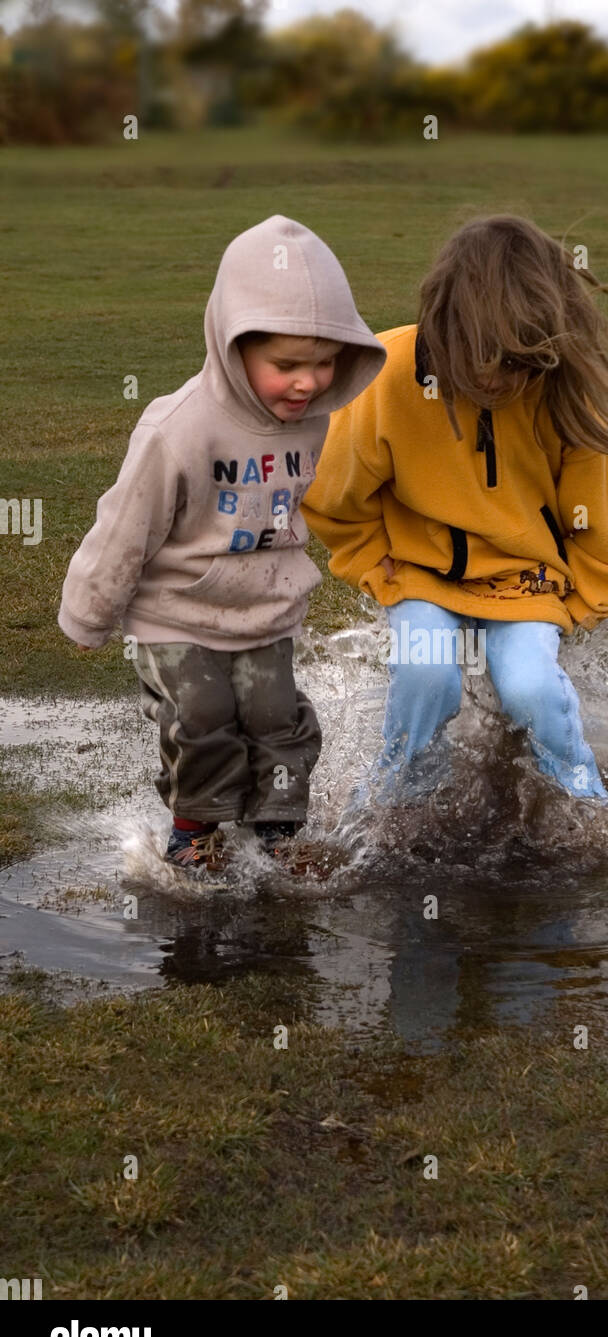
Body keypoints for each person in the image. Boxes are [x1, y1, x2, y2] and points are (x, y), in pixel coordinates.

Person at [302, 214, 608, 805]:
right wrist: (380, 570)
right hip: (421, 579)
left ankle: (586, 804)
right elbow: (333, 500)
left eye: (519, 363)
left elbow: (603, 532)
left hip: (529, 585)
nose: (501, 378)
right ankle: (391, 807)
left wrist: (573, 609)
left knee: (529, 687)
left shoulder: (563, 393)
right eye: (490, 357)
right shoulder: (389, 375)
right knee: (427, 675)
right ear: (448, 326)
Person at [58, 215, 386, 871]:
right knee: (204, 713)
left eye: (324, 364)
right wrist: (89, 611)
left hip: (261, 611)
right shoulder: (179, 429)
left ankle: (278, 828)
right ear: (234, 347)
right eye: (286, 365)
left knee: (276, 717)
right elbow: (128, 523)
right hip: (175, 611)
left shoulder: (309, 423)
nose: (308, 383)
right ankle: (195, 832)